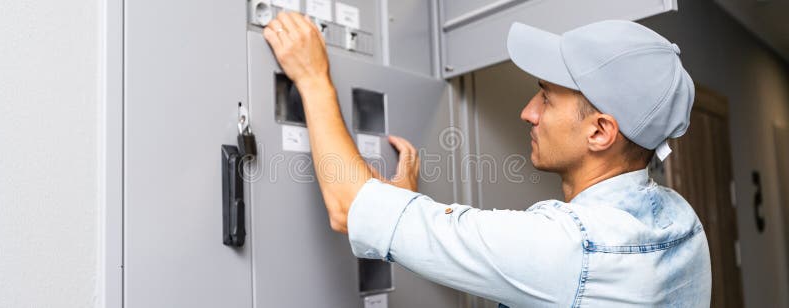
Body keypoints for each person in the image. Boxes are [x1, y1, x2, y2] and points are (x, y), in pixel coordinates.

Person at [262, 12, 711, 307]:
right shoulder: (683, 223)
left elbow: (348, 206)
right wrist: (410, 214)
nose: (528, 113)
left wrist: (313, 79)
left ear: (600, 132)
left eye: (546, 98)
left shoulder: (569, 248)